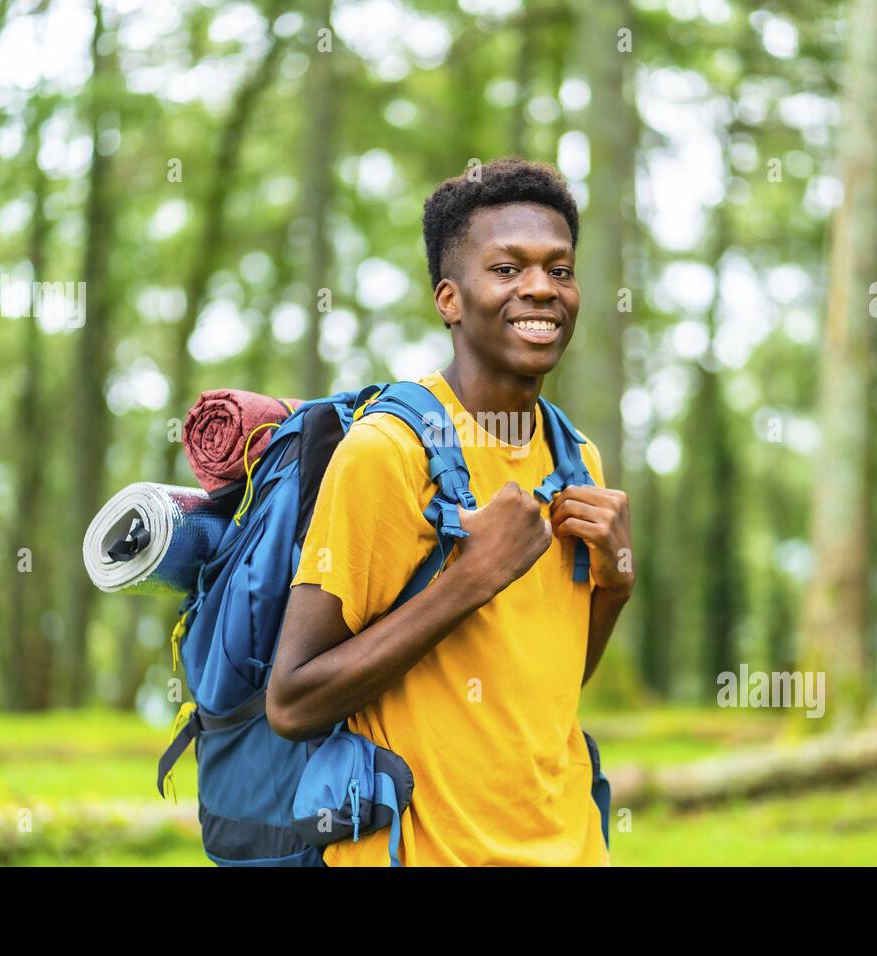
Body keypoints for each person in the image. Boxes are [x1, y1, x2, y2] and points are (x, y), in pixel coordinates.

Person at [267, 156, 634, 866]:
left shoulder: (575, 458)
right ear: (449, 298)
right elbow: (293, 702)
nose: (540, 289)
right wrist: (469, 580)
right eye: (507, 270)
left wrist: (615, 590)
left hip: (574, 848)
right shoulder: (388, 453)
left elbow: (539, 690)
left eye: (560, 270)